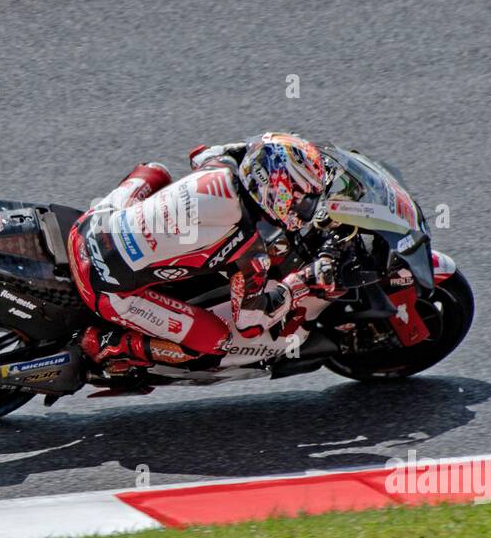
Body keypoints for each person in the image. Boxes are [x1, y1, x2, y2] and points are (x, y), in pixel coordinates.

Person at [67, 132, 342, 370]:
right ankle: (110, 345)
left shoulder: (221, 164)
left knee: (156, 170)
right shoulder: (249, 249)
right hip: (105, 287)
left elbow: (199, 154)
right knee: (216, 341)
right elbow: (250, 322)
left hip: (91, 224)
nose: (306, 208)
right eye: (303, 200)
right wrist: (300, 284)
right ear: (276, 192)